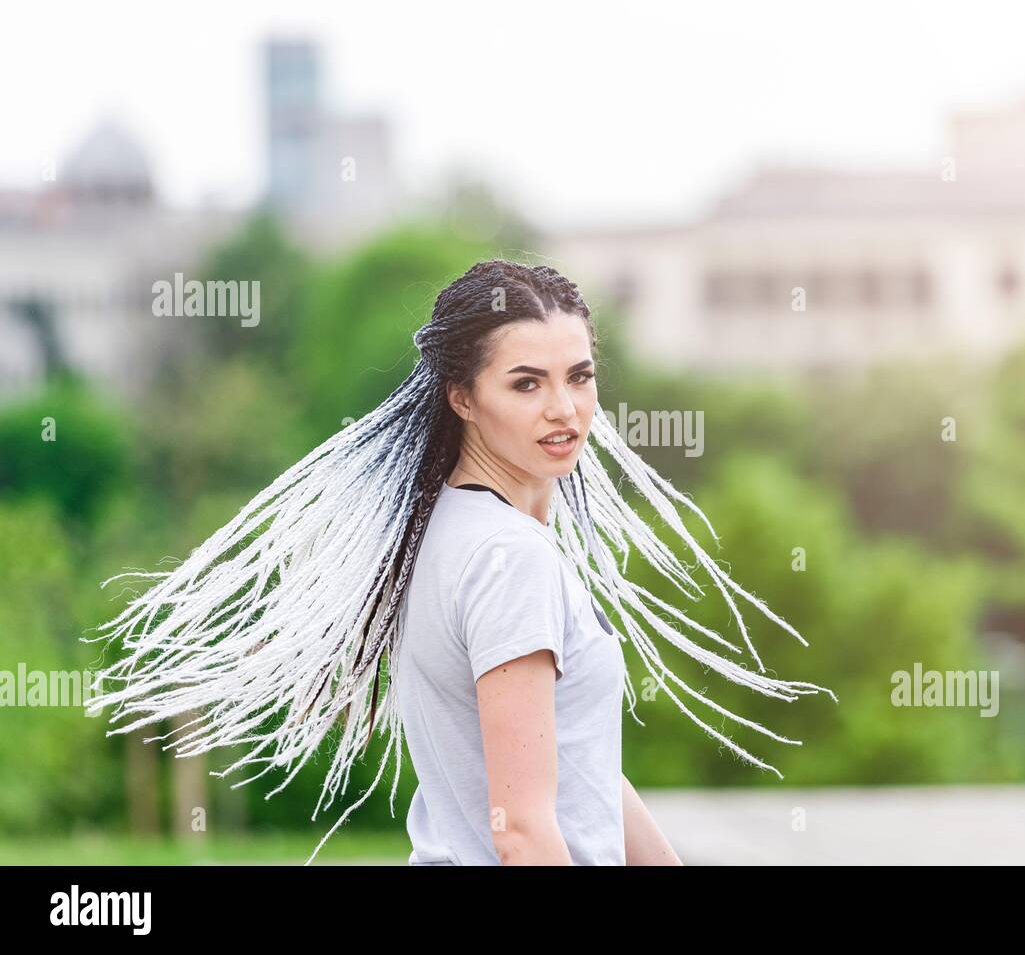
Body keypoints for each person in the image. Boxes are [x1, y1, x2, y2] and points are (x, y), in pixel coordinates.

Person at [84, 259, 838, 865]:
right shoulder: (507, 559)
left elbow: (573, 770)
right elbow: (521, 832)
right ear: (462, 399)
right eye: (526, 383)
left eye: (579, 376)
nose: (564, 409)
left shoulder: (447, 532)